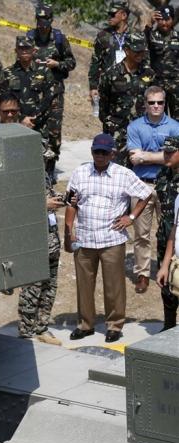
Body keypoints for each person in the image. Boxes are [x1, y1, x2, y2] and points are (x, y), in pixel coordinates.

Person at [64, 133, 152, 343]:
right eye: (97, 152)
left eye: (104, 152)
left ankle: (114, 325)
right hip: (84, 239)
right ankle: (85, 325)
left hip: (111, 239)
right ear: (92, 151)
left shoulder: (124, 174)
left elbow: (146, 193)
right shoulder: (80, 172)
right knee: (84, 286)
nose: (100, 156)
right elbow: (70, 203)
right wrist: (69, 232)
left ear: (112, 153)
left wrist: (131, 217)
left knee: (114, 286)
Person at [0, 92, 63, 346]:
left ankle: (42, 326)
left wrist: (56, 199)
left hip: (48, 227)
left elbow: (45, 178)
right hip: (26, 228)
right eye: (6, 112)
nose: (11, 116)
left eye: (15, 111)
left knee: (50, 279)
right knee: (33, 280)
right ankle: (26, 330)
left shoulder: (33, 142)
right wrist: (40, 204)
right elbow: (5, 196)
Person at [126, 86, 179, 293]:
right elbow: (133, 158)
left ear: (165, 104)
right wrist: (162, 156)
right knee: (141, 232)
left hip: (168, 186)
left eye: (160, 102)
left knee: (168, 230)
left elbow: (172, 160)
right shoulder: (135, 127)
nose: (156, 106)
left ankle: (169, 269)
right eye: (152, 103)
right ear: (145, 104)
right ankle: (142, 273)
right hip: (142, 185)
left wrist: (146, 156)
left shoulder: (175, 127)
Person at [27, 3, 76, 176]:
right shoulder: (29, 37)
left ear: (51, 20)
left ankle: (50, 167)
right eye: (39, 20)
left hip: (54, 92)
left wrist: (57, 64)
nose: (42, 24)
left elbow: (71, 63)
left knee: (54, 131)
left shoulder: (59, 39)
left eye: (45, 20)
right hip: (33, 91)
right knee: (33, 128)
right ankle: (34, 167)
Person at [1, 36, 58, 169]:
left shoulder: (44, 71)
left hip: (38, 125)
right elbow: (3, 100)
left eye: (27, 48)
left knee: (39, 163)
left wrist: (34, 120)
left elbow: (49, 98)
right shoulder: (7, 73)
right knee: (16, 161)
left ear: (34, 50)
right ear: (16, 50)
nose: (24, 51)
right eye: (21, 48)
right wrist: (21, 119)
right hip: (14, 125)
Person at [98, 32, 155, 158]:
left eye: (142, 51)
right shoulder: (111, 74)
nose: (140, 55)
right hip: (117, 131)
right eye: (136, 51)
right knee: (116, 169)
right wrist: (110, 123)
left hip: (142, 130)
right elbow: (103, 103)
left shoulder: (149, 74)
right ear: (126, 50)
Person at [155, 136, 179, 331]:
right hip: (166, 236)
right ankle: (168, 326)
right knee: (166, 285)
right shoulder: (162, 174)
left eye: (171, 151)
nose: (167, 154)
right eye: (165, 151)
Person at [89, 1, 132, 105]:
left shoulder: (136, 36)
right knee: (106, 120)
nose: (109, 17)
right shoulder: (103, 36)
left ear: (124, 15)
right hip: (107, 88)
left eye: (113, 14)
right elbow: (95, 62)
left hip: (129, 90)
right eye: (108, 14)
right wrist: (93, 87)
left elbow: (144, 62)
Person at [147, 5, 179, 117]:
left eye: (167, 19)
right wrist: (149, 22)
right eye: (161, 20)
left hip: (176, 86)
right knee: (158, 118)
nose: (164, 23)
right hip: (157, 86)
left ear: (173, 19)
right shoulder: (150, 36)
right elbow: (141, 43)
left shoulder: (177, 37)